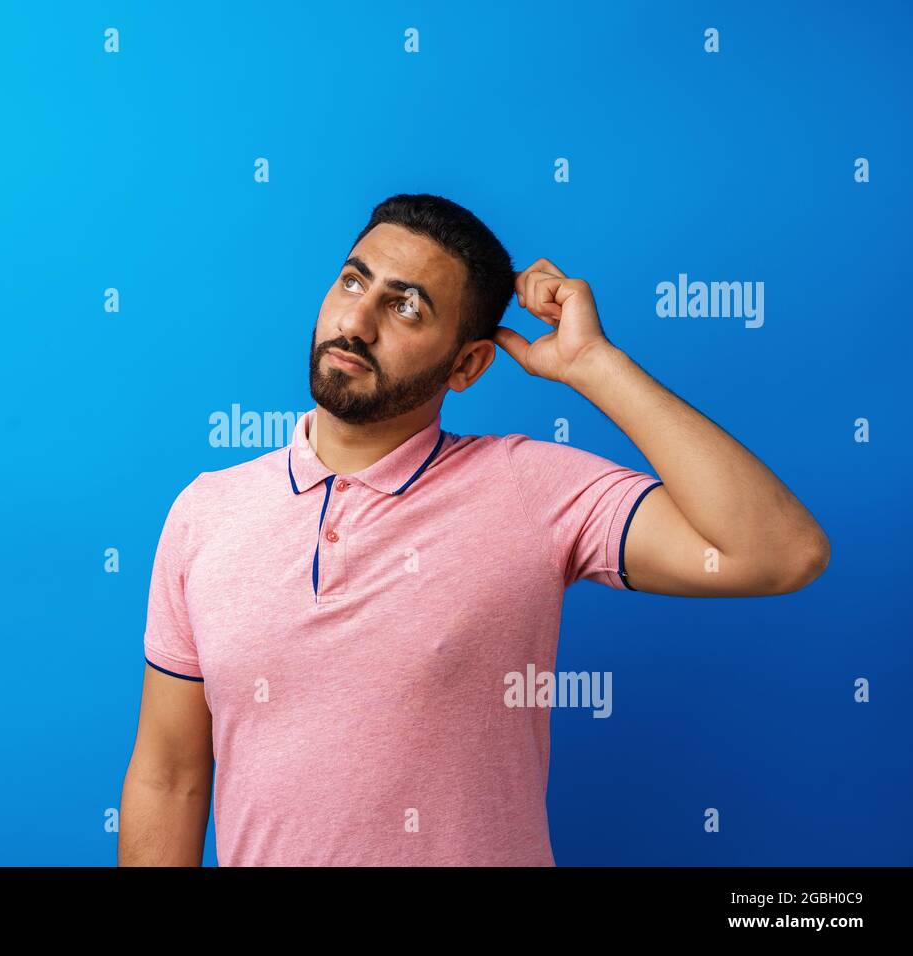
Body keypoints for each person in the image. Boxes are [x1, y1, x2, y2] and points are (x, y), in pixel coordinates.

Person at [117, 193, 829, 866]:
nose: (357, 323)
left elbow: (780, 553)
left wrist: (594, 366)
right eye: (352, 283)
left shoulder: (531, 488)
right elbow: (169, 773)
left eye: (406, 307)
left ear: (467, 364)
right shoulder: (207, 511)